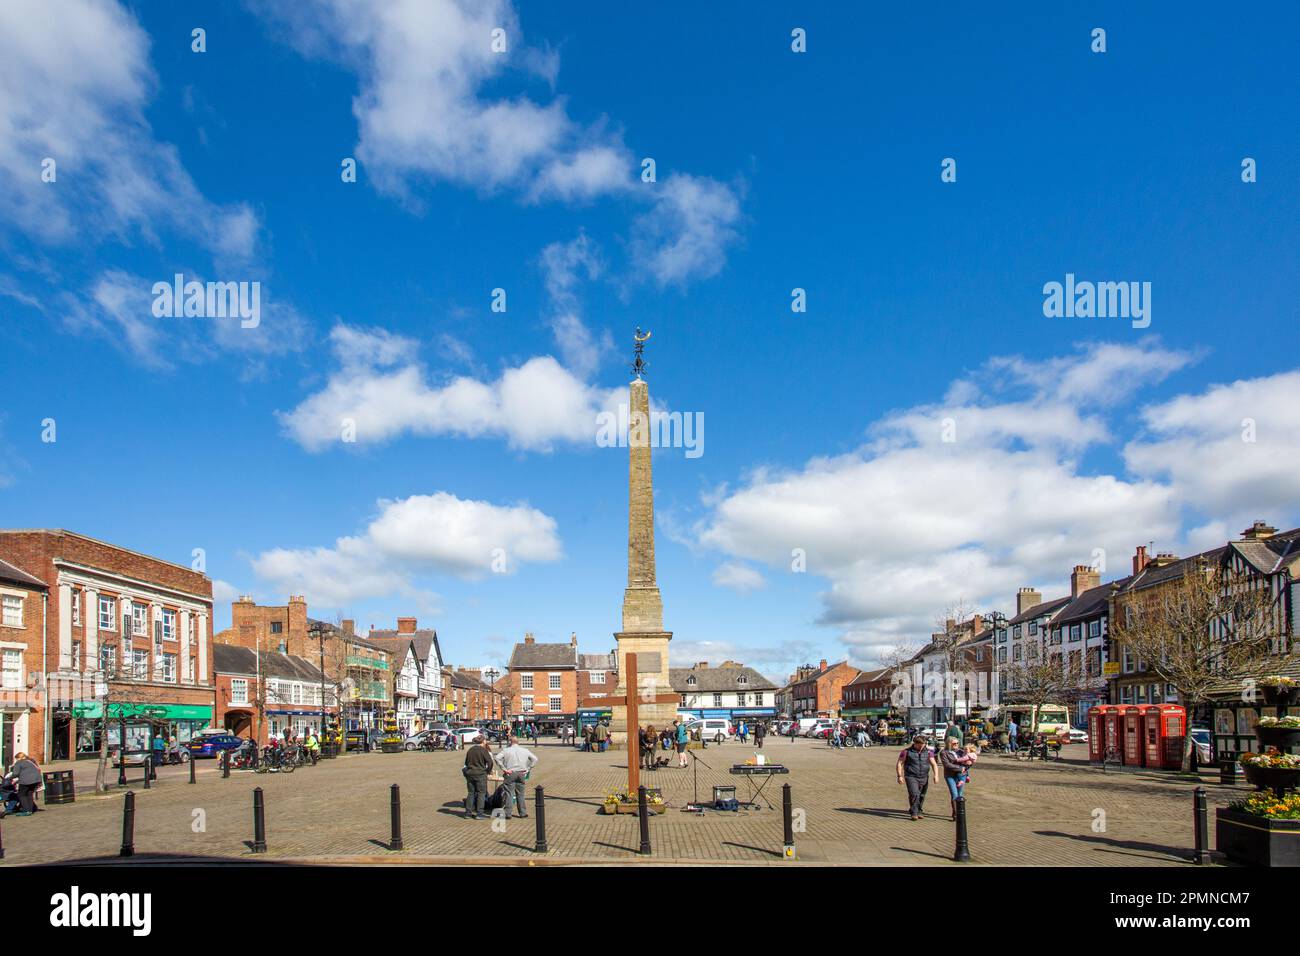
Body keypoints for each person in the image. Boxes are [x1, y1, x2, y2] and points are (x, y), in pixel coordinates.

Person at [896, 735, 939, 821]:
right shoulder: (906, 752)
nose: (921, 747)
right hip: (911, 776)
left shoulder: (929, 752)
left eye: (923, 745)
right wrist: (899, 776)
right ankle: (914, 813)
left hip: (924, 776)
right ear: (915, 743)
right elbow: (899, 763)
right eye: (919, 745)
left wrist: (936, 775)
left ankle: (919, 810)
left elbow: (934, 764)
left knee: (922, 795)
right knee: (914, 794)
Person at [493, 737, 538, 819]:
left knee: (509, 793)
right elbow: (535, 759)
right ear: (518, 742)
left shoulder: (506, 750)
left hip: (510, 773)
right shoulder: (525, 750)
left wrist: (504, 769)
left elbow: (497, 758)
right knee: (520, 794)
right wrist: (528, 769)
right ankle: (522, 813)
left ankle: (507, 813)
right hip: (521, 773)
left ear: (510, 742)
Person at [939, 736, 977, 820]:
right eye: (954, 743)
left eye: (957, 743)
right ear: (949, 744)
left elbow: (970, 760)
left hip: (962, 775)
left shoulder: (961, 751)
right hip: (950, 775)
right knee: (954, 794)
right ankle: (956, 814)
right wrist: (960, 768)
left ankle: (960, 813)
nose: (956, 745)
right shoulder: (944, 752)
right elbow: (947, 765)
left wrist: (969, 764)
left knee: (960, 794)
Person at [463, 735, 494, 819]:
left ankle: (468, 813)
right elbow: (490, 762)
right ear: (483, 741)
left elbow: (466, 762)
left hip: (470, 774)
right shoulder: (483, 750)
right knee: (481, 793)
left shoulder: (470, 750)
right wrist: (487, 771)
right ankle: (479, 813)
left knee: (471, 793)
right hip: (480, 774)